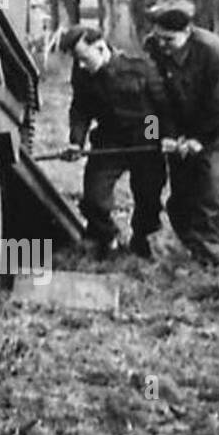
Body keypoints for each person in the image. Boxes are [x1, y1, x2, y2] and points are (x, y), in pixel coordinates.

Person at [59, 25, 172, 260]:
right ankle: (106, 238)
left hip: (145, 138)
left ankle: (142, 243)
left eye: (83, 58)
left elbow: (161, 108)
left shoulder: (139, 68)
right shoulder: (82, 73)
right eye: (76, 60)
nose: (80, 65)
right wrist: (76, 142)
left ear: (100, 47)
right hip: (109, 140)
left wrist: (157, 138)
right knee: (94, 198)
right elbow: (80, 109)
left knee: (148, 197)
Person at [144, 0, 219, 268]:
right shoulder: (152, 49)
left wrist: (199, 140)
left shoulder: (212, 51)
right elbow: (156, 97)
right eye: (158, 37)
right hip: (180, 130)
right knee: (182, 193)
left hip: (218, 130)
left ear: (187, 32)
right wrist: (165, 134)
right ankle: (188, 245)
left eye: (169, 40)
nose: (162, 45)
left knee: (210, 187)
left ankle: (210, 257)